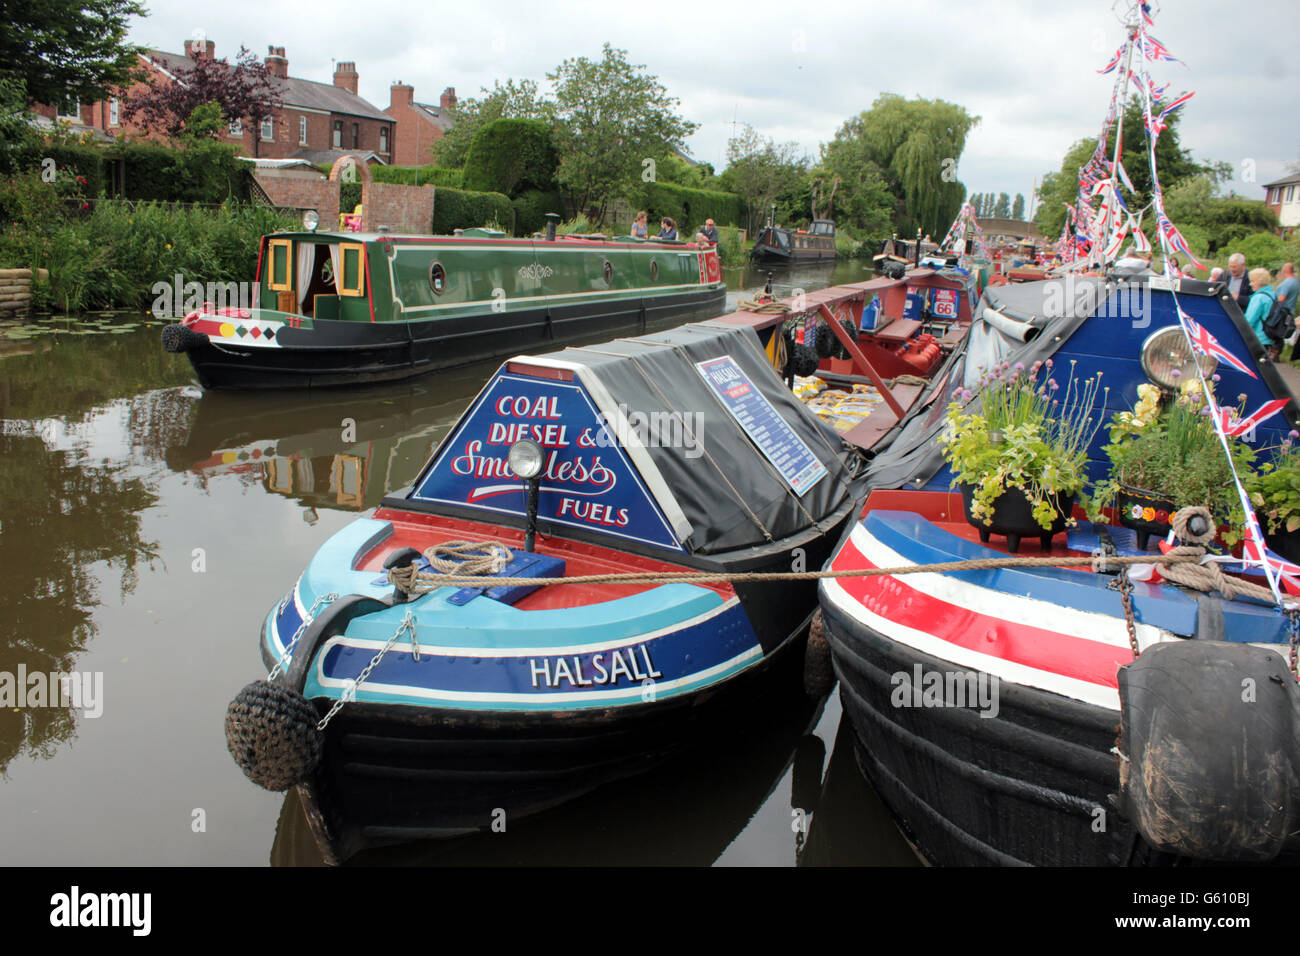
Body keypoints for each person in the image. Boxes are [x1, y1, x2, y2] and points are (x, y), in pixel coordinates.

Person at [1243, 266, 1278, 357]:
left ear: (1259, 282)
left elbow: (1249, 321)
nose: (1250, 284)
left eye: (1253, 281)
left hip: (1257, 338)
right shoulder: (1272, 295)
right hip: (1269, 338)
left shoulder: (1259, 298)